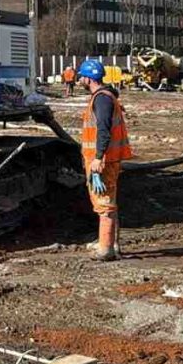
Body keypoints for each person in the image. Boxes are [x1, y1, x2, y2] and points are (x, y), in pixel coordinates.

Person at [77, 58, 132, 262]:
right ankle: (111, 243)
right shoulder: (105, 97)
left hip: (103, 161)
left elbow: (103, 130)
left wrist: (98, 158)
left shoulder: (101, 99)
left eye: (81, 76)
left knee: (104, 204)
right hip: (106, 159)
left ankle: (106, 249)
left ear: (88, 78)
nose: (79, 79)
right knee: (109, 202)